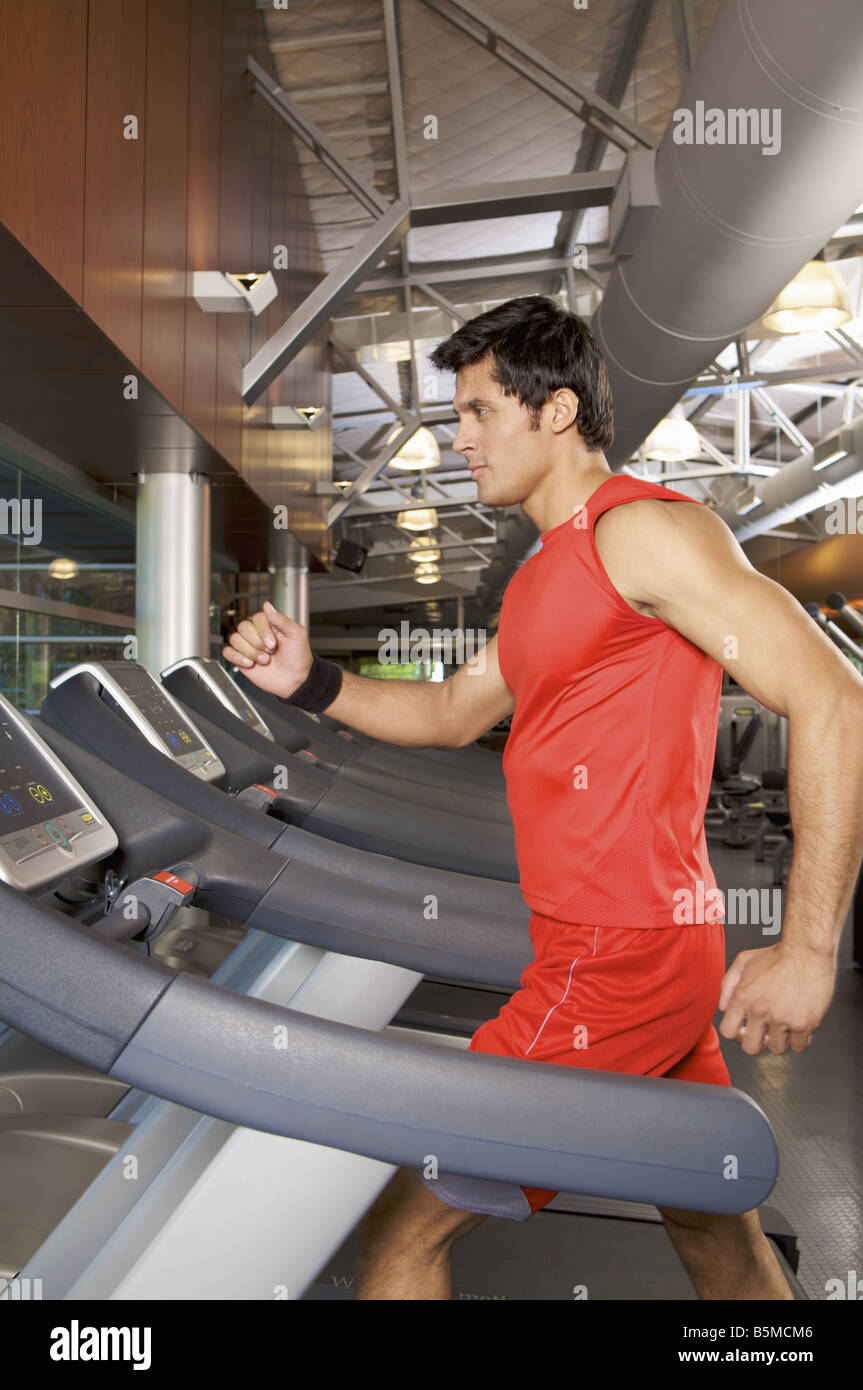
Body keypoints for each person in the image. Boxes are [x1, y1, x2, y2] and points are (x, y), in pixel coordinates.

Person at [223, 295, 863, 1300]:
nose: (456, 440)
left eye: (477, 412)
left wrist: (806, 948)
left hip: (617, 957)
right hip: (625, 944)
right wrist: (309, 683)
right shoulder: (541, 578)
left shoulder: (642, 534)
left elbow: (832, 696)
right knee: (714, 1228)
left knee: (404, 1226)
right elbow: (444, 711)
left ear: (554, 412)